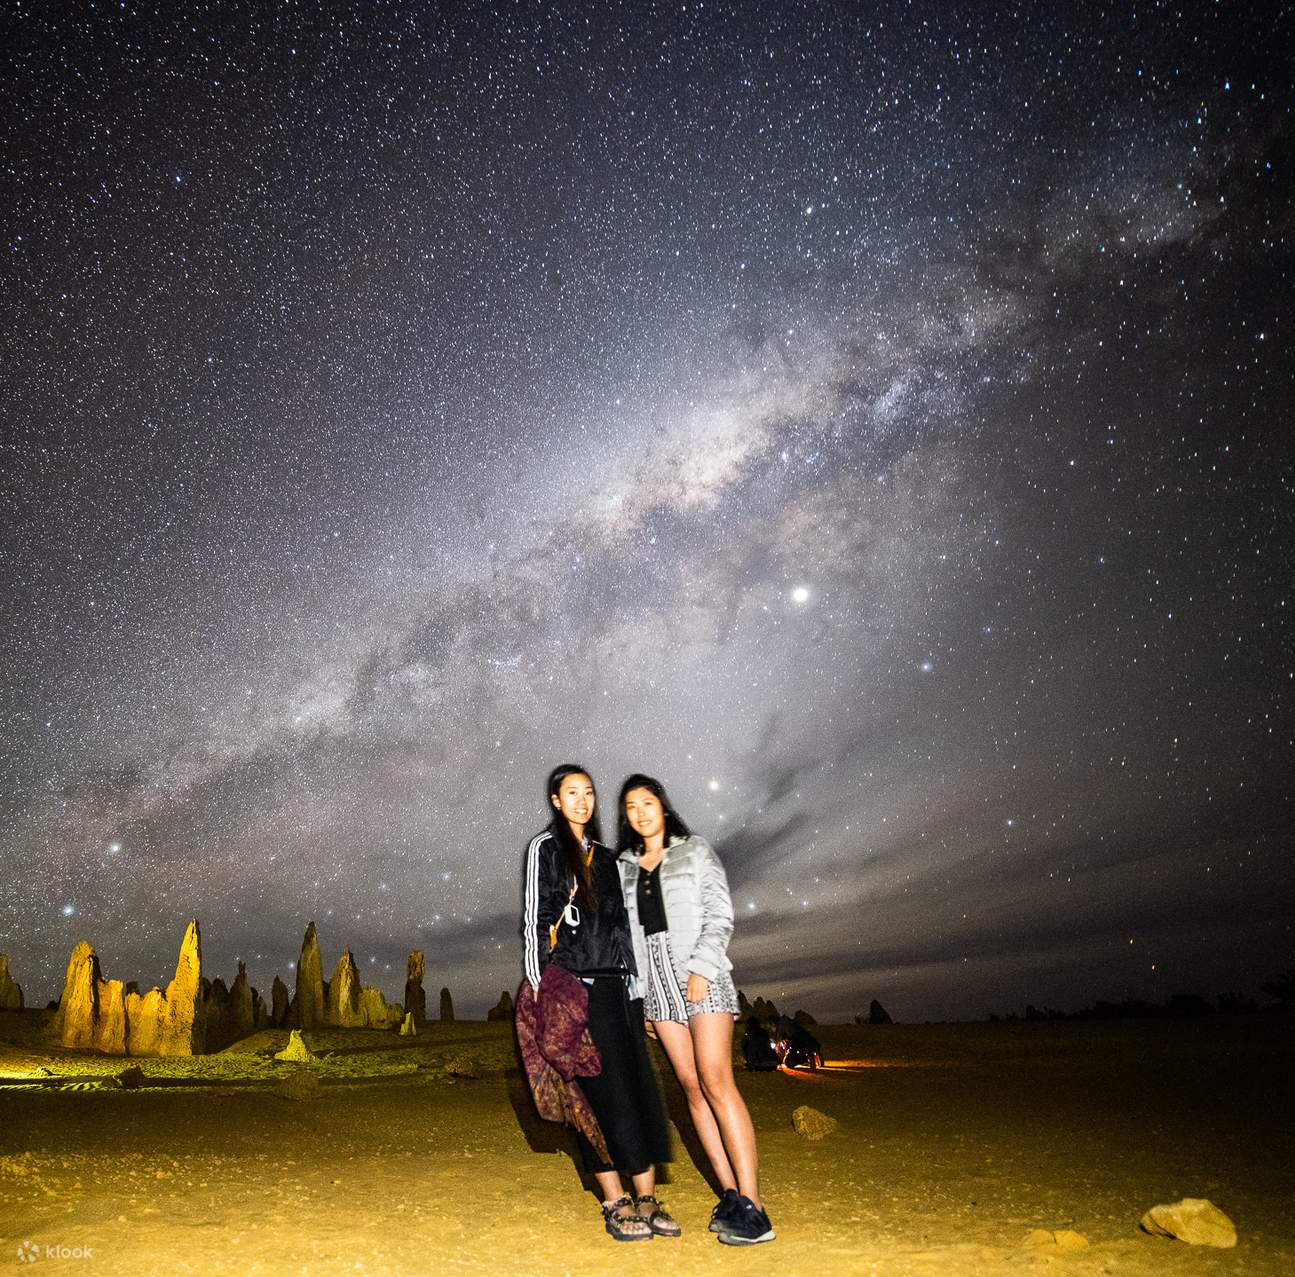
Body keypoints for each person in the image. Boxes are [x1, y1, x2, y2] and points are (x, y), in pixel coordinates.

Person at [617, 774, 775, 1246]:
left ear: (663, 805)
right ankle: (729, 1195)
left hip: (697, 971)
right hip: (656, 984)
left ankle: (754, 1205)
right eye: (630, 806)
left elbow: (720, 912)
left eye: (648, 802)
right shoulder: (624, 867)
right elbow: (628, 938)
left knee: (715, 1080)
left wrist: (704, 967)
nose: (640, 812)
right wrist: (640, 994)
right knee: (689, 1088)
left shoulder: (695, 850)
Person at [521, 764, 677, 1242]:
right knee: (590, 1096)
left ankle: (646, 1195)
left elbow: (623, 925)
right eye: (572, 793)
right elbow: (535, 919)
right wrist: (542, 986)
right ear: (555, 799)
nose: (583, 801)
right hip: (573, 987)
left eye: (588, 793)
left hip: (618, 988)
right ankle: (614, 1200)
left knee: (635, 1088)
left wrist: (638, 986)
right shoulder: (545, 849)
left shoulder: (609, 858)